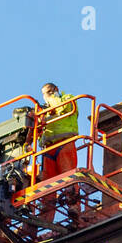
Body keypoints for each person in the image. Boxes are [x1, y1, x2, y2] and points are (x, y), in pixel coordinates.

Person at [37, 82, 79, 223]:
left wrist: (51, 99)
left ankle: (74, 209)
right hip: (48, 149)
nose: (46, 96)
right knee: (47, 188)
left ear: (56, 90)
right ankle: (45, 219)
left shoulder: (67, 98)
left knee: (69, 179)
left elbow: (64, 107)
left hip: (64, 144)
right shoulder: (45, 111)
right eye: (44, 94)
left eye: (49, 92)